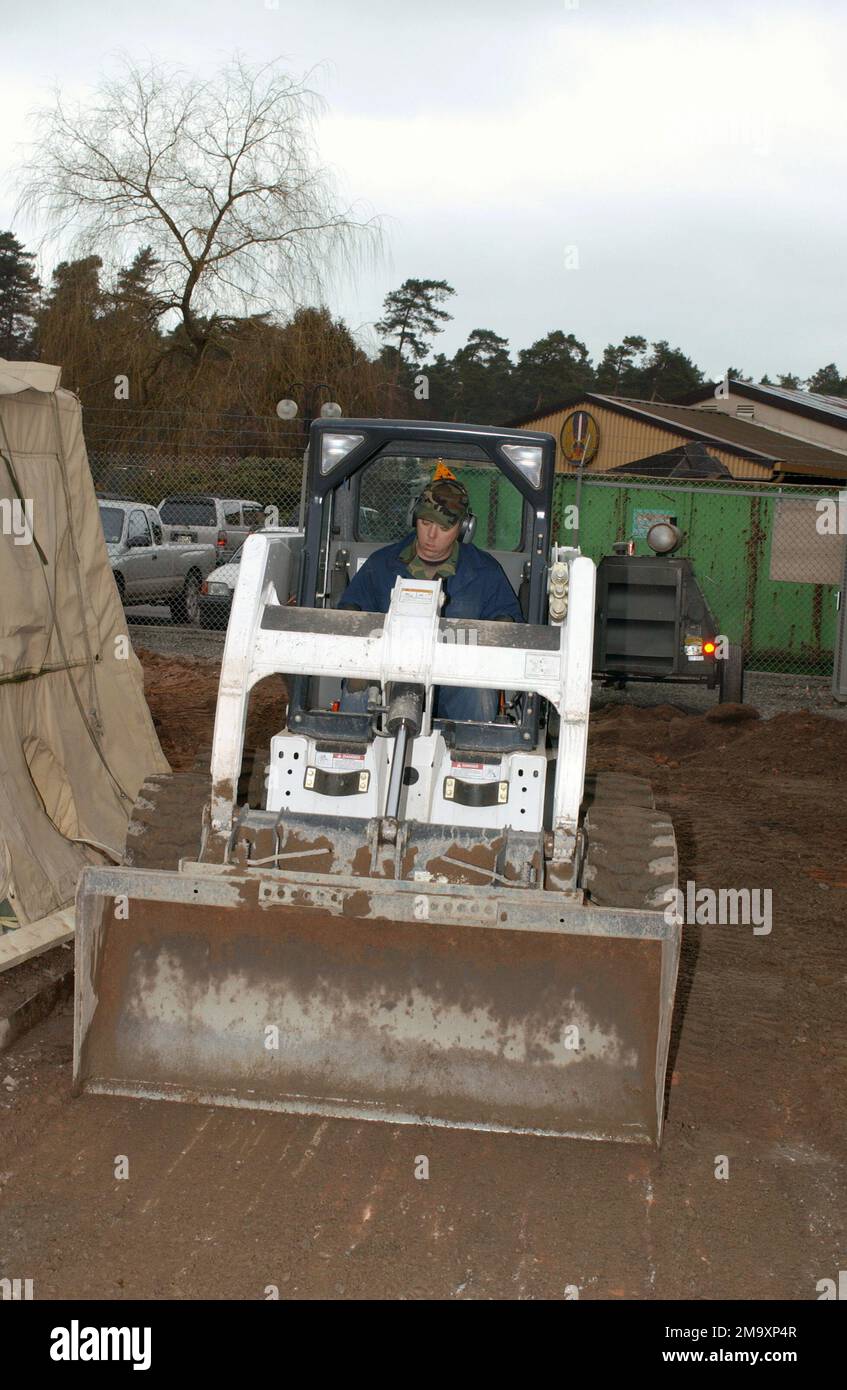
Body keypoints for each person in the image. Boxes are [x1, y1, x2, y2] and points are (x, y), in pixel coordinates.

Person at [338, 476, 522, 722]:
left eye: (444, 527)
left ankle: (471, 754)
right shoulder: (381, 565)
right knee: (357, 685)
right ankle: (354, 755)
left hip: (456, 679)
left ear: (464, 528)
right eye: (425, 522)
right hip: (389, 674)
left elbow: (508, 626)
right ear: (413, 517)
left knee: (479, 692)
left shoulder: (485, 573)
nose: (431, 535)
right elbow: (351, 614)